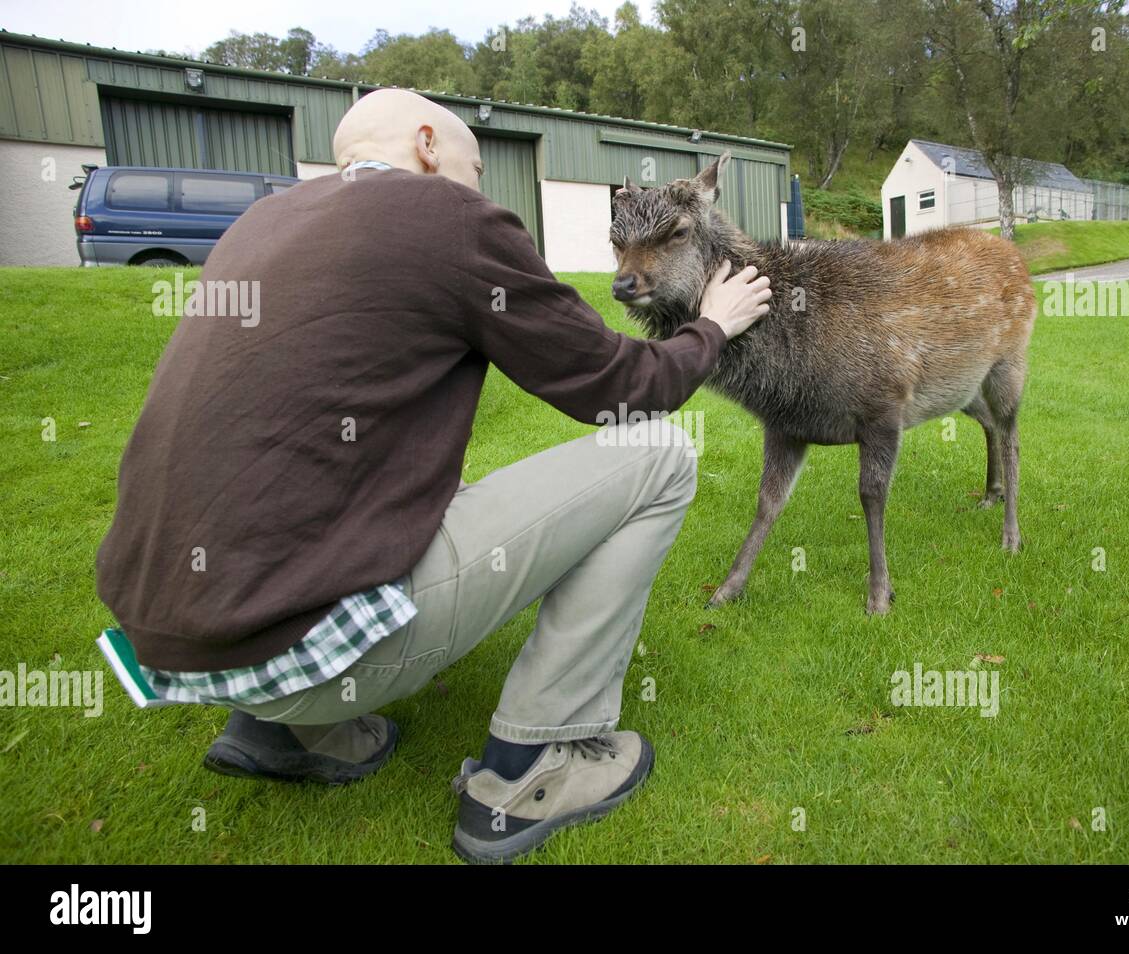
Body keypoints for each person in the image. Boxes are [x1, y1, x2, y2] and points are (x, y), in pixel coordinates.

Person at [95, 88, 771, 864]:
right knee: (659, 455)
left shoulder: (262, 222)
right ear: (426, 145)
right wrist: (712, 325)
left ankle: (285, 731)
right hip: (293, 642)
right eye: (475, 166)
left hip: (170, 641)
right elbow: (619, 389)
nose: (480, 187)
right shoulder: (446, 217)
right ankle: (531, 768)